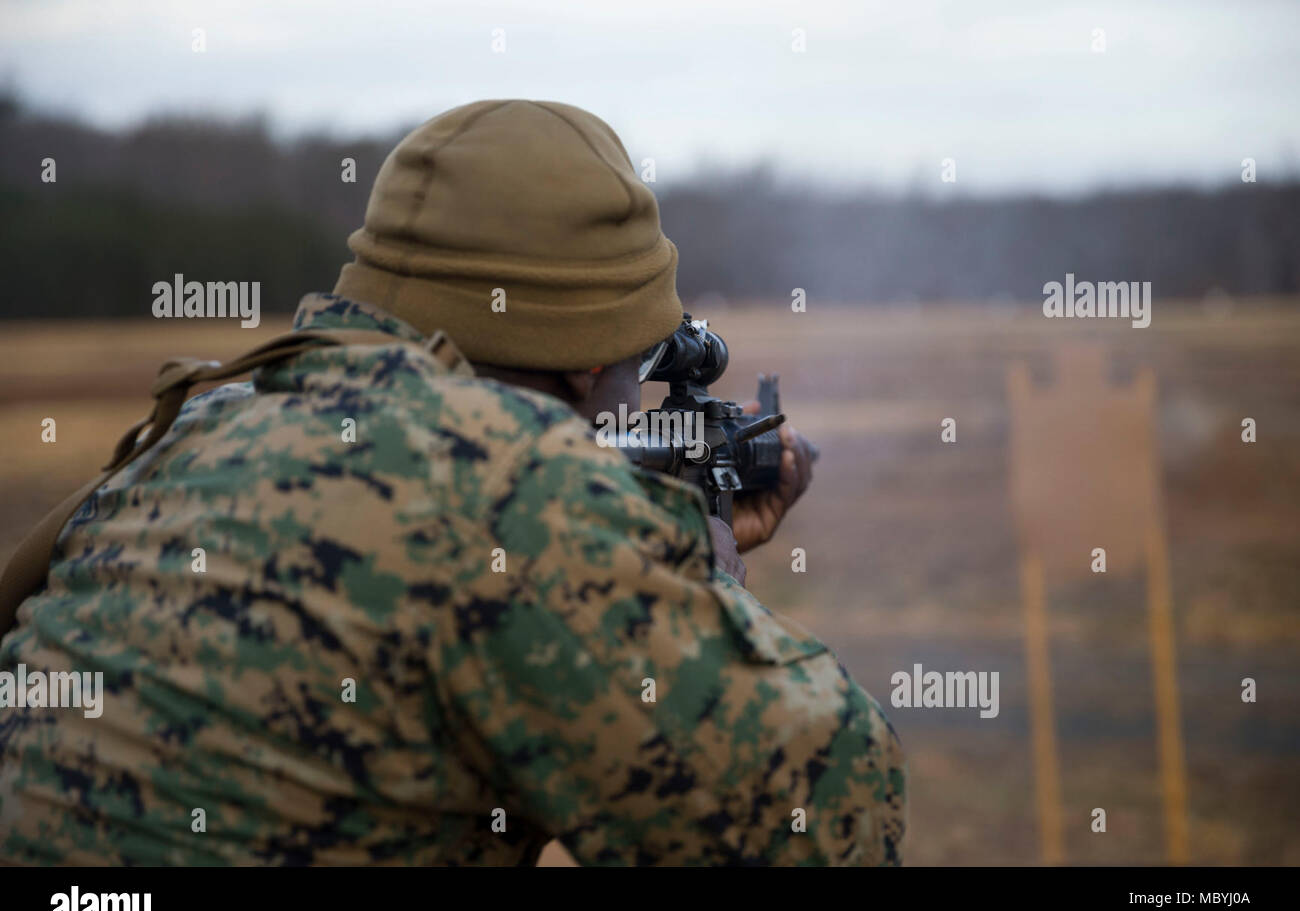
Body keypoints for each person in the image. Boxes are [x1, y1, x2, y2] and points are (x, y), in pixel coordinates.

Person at [0, 99, 904, 865]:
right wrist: (704, 592)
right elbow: (833, 818)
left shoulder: (191, 425)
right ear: (589, 360)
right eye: (641, 363)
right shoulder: (511, 493)